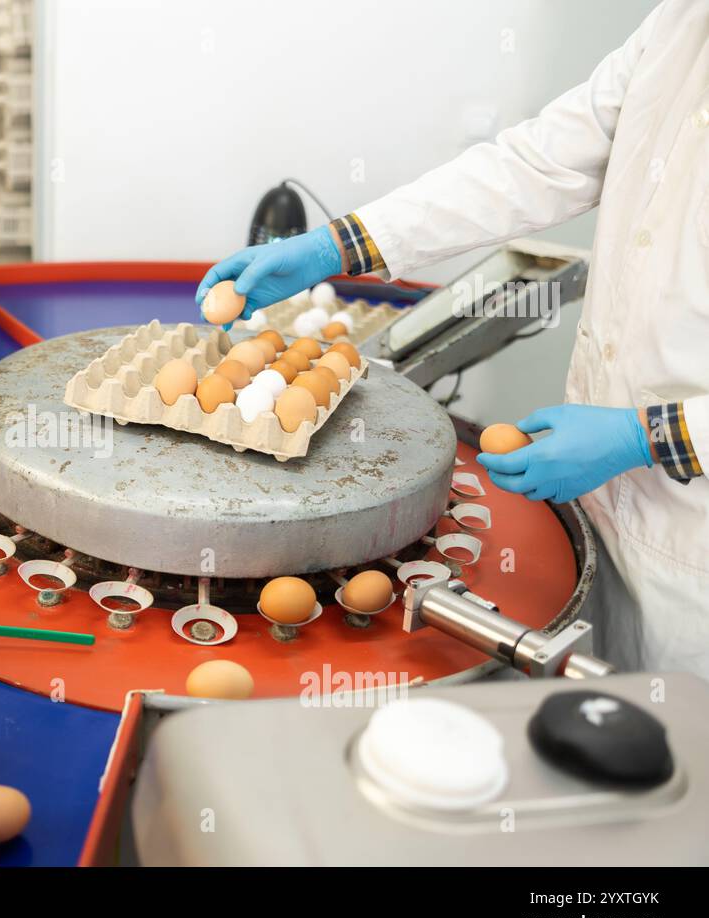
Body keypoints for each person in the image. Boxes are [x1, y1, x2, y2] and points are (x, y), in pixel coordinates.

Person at [196, 0, 708, 677]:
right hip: (612, 510)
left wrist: (654, 435)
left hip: (696, 540)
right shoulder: (683, 23)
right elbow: (541, 161)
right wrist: (338, 245)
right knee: (605, 729)